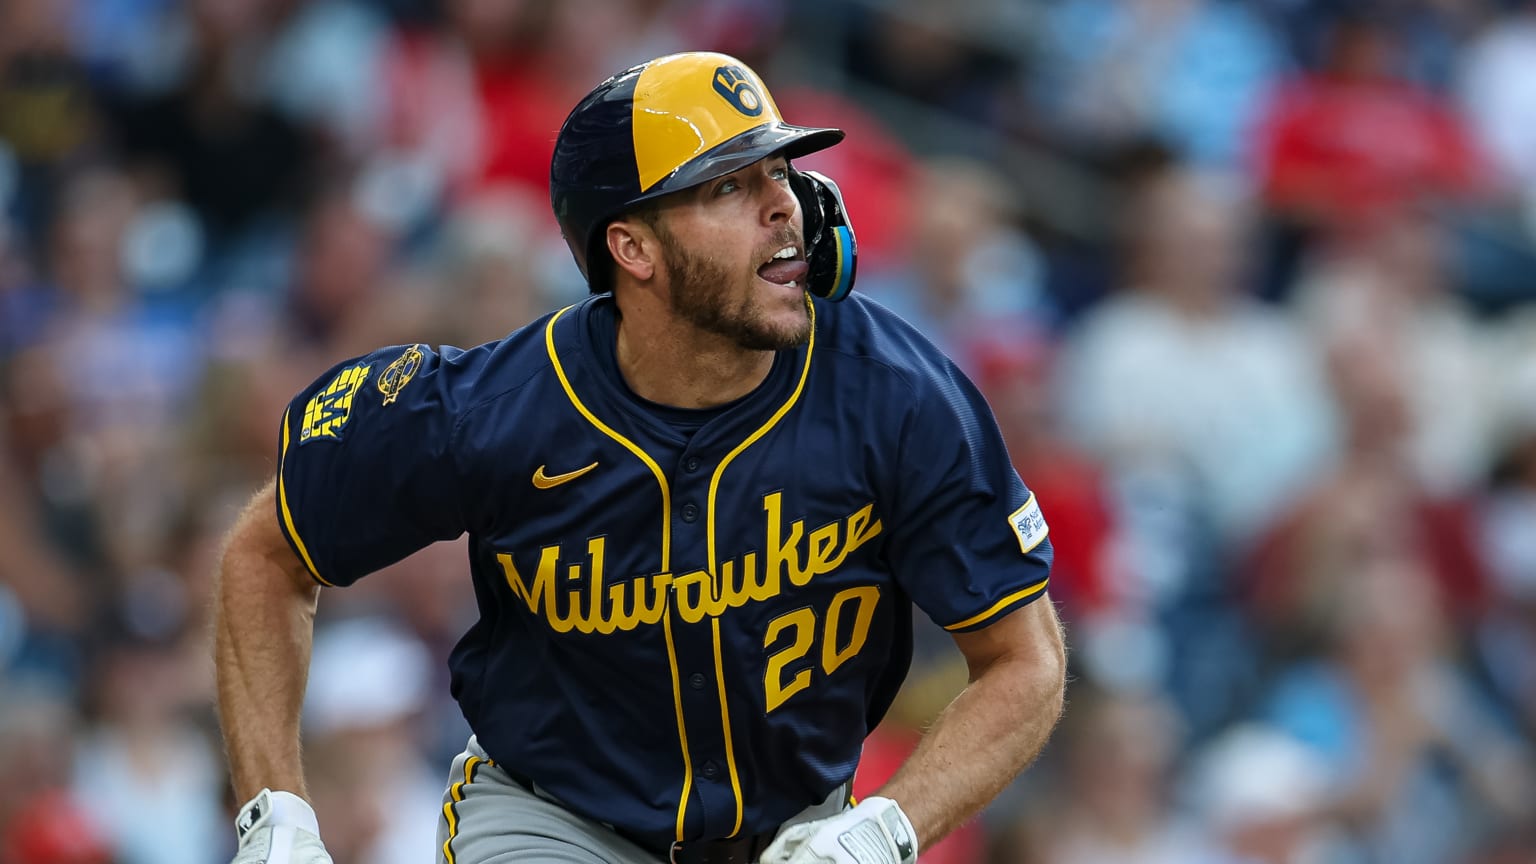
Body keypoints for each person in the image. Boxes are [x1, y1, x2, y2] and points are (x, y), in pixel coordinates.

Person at [213, 51, 1067, 864]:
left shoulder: (896, 390)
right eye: (731, 185)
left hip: (799, 830)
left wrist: (887, 827)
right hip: (556, 820)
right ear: (634, 249)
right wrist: (275, 811)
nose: (785, 206)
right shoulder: (498, 407)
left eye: (782, 174)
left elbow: (1025, 661)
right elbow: (268, 552)